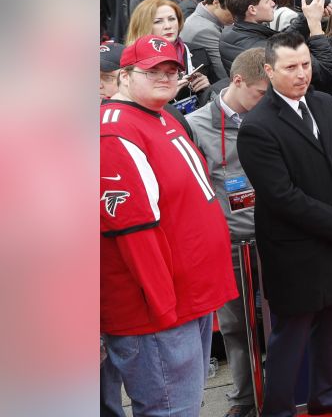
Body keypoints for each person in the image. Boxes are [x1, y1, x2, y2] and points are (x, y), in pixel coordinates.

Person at [237, 30, 332, 417]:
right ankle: (279, 410)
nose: (302, 74)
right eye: (291, 67)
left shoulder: (325, 104)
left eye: (305, 65)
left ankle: (325, 395)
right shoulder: (257, 126)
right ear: (269, 70)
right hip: (295, 249)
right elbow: (281, 196)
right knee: (291, 335)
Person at [100, 35, 237, 417]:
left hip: (188, 298)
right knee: (169, 410)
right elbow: (131, 232)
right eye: (152, 71)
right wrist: (162, 308)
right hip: (160, 311)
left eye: (171, 70)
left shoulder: (159, 115)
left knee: (182, 406)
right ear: (125, 76)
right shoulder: (114, 132)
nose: (165, 77)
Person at [185, 48, 270, 417]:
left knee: (282, 320)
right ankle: (243, 398)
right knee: (235, 326)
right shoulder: (197, 124)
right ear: (238, 81)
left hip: (276, 237)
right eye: (261, 93)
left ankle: (285, 391)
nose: (267, 100)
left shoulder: (273, 114)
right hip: (230, 243)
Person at [125, 0, 213, 110]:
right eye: (158, 21)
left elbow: (218, 95)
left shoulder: (197, 52)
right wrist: (166, 95)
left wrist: (208, 88)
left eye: (172, 19)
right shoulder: (131, 59)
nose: (168, 26)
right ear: (143, 25)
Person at [181, 0, 235, 83]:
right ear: (216, 3)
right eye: (234, 10)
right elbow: (224, 76)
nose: (238, 16)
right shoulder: (205, 31)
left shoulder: (210, 20)